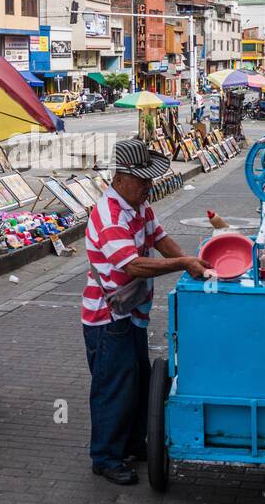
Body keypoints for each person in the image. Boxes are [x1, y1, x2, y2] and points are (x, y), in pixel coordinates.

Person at [83, 140, 208, 486]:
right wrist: (183, 263)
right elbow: (133, 265)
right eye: (142, 180)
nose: (148, 186)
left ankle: (134, 444)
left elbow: (161, 238)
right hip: (107, 318)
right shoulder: (108, 215)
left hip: (132, 313)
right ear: (120, 178)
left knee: (136, 381)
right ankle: (105, 456)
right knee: (113, 386)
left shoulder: (140, 207)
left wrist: (190, 265)